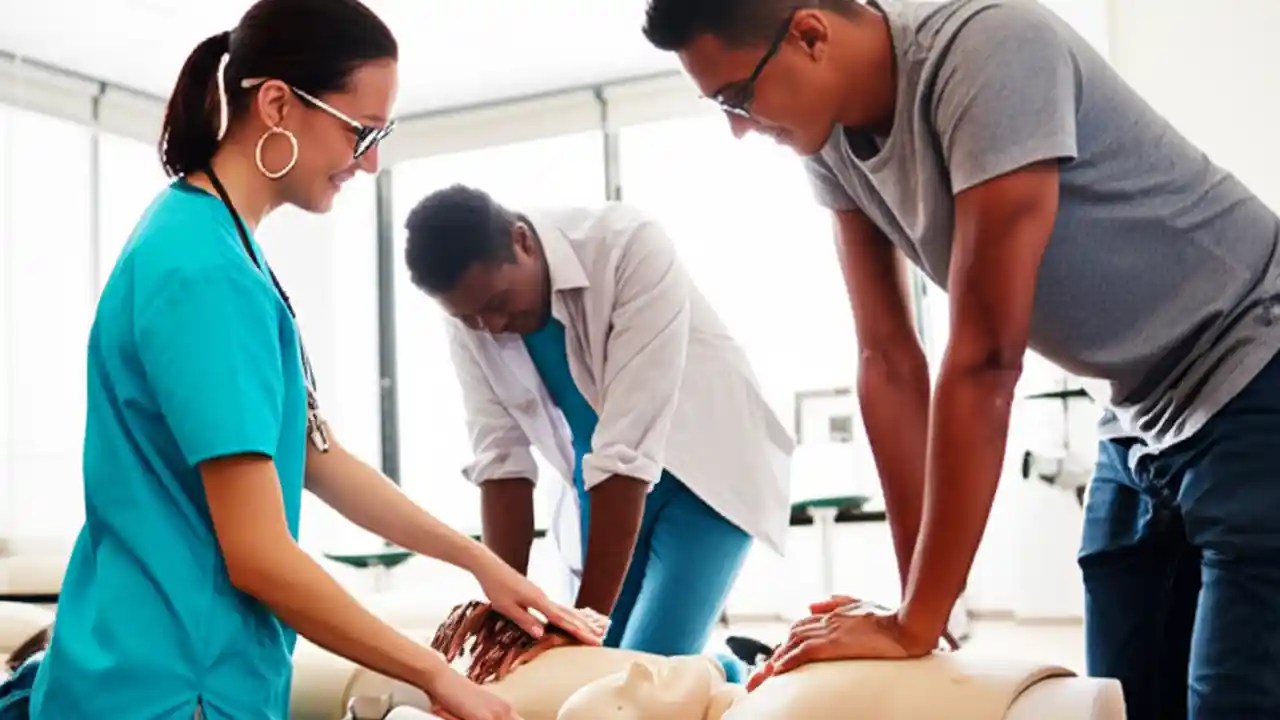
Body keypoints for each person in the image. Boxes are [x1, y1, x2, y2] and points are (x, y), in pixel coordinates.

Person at [640, 0, 1280, 718]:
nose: (738, 128)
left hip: (1255, 360)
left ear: (810, 34)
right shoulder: (829, 146)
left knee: (1234, 698)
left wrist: (912, 619)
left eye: (738, 96)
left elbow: (984, 358)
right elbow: (887, 358)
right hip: (1137, 411)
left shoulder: (989, 50)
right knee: (1125, 699)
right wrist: (921, 620)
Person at [28, 2, 598, 719]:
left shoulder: (216, 243)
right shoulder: (203, 271)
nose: (370, 161)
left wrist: (480, 563)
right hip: (172, 687)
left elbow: (315, 453)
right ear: (276, 105)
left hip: (164, 672)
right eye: (360, 132)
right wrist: (437, 676)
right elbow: (259, 554)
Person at [402, 186, 793, 658]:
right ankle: (725, 673)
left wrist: (576, 631)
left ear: (522, 240)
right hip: (601, 491)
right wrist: (505, 616)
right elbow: (502, 464)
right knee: (592, 672)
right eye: (470, 317)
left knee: (638, 668)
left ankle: (735, 673)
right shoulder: (472, 314)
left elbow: (626, 449)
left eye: (499, 302)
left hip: (707, 477)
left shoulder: (629, 246)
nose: (492, 324)